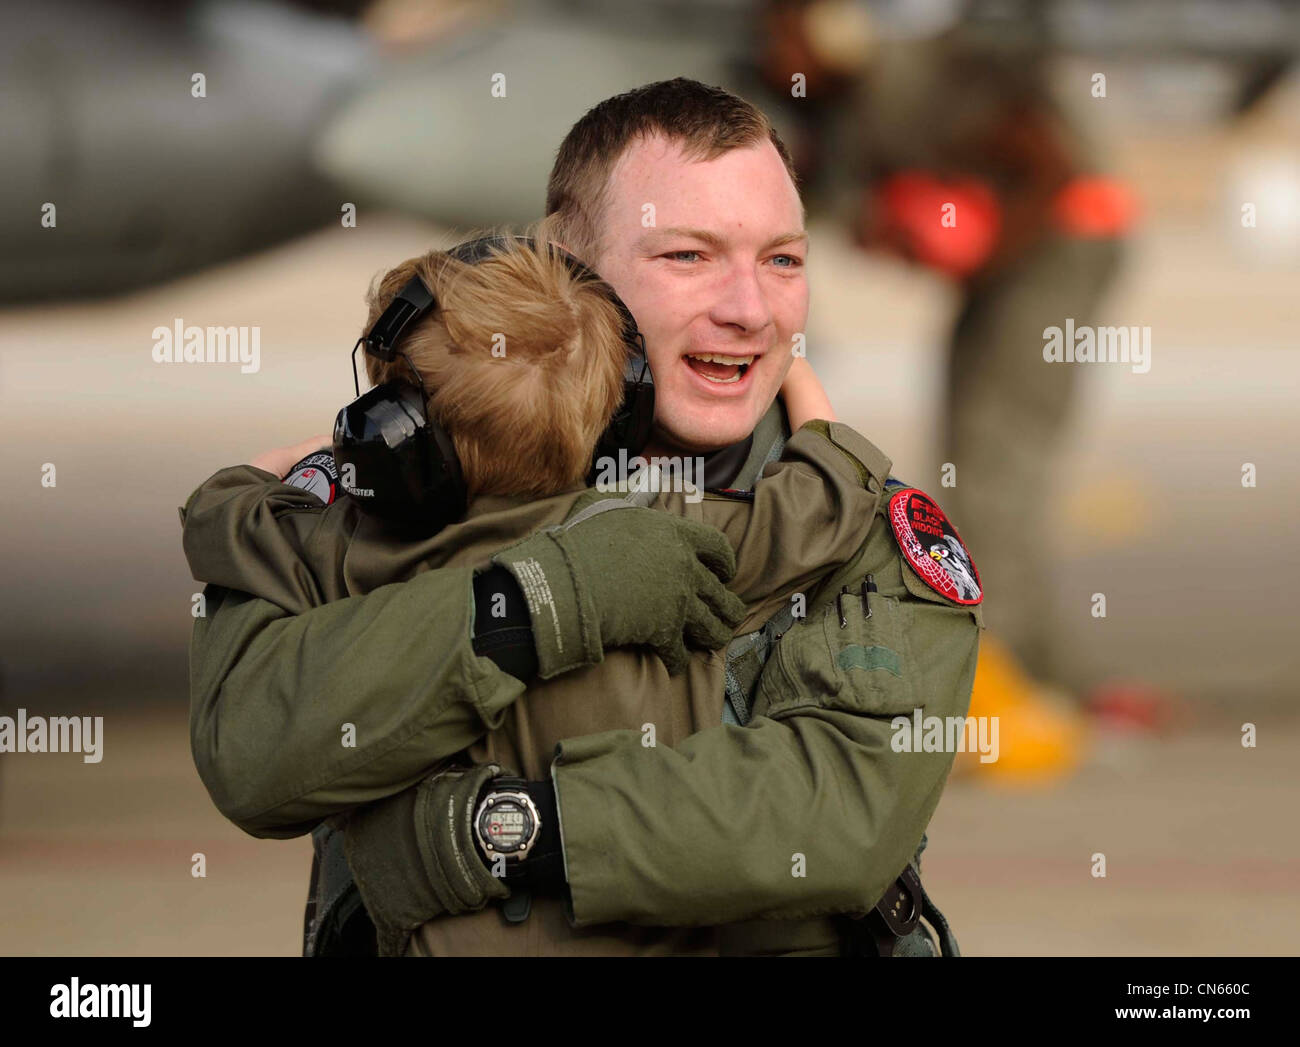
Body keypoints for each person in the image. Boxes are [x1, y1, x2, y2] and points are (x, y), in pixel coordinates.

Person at [184, 78, 981, 956]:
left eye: (783, 260)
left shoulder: (869, 535)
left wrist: (484, 833)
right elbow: (257, 752)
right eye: (689, 257)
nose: (750, 309)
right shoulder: (394, 492)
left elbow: (832, 824)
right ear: (567, 263)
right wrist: (536, 602)